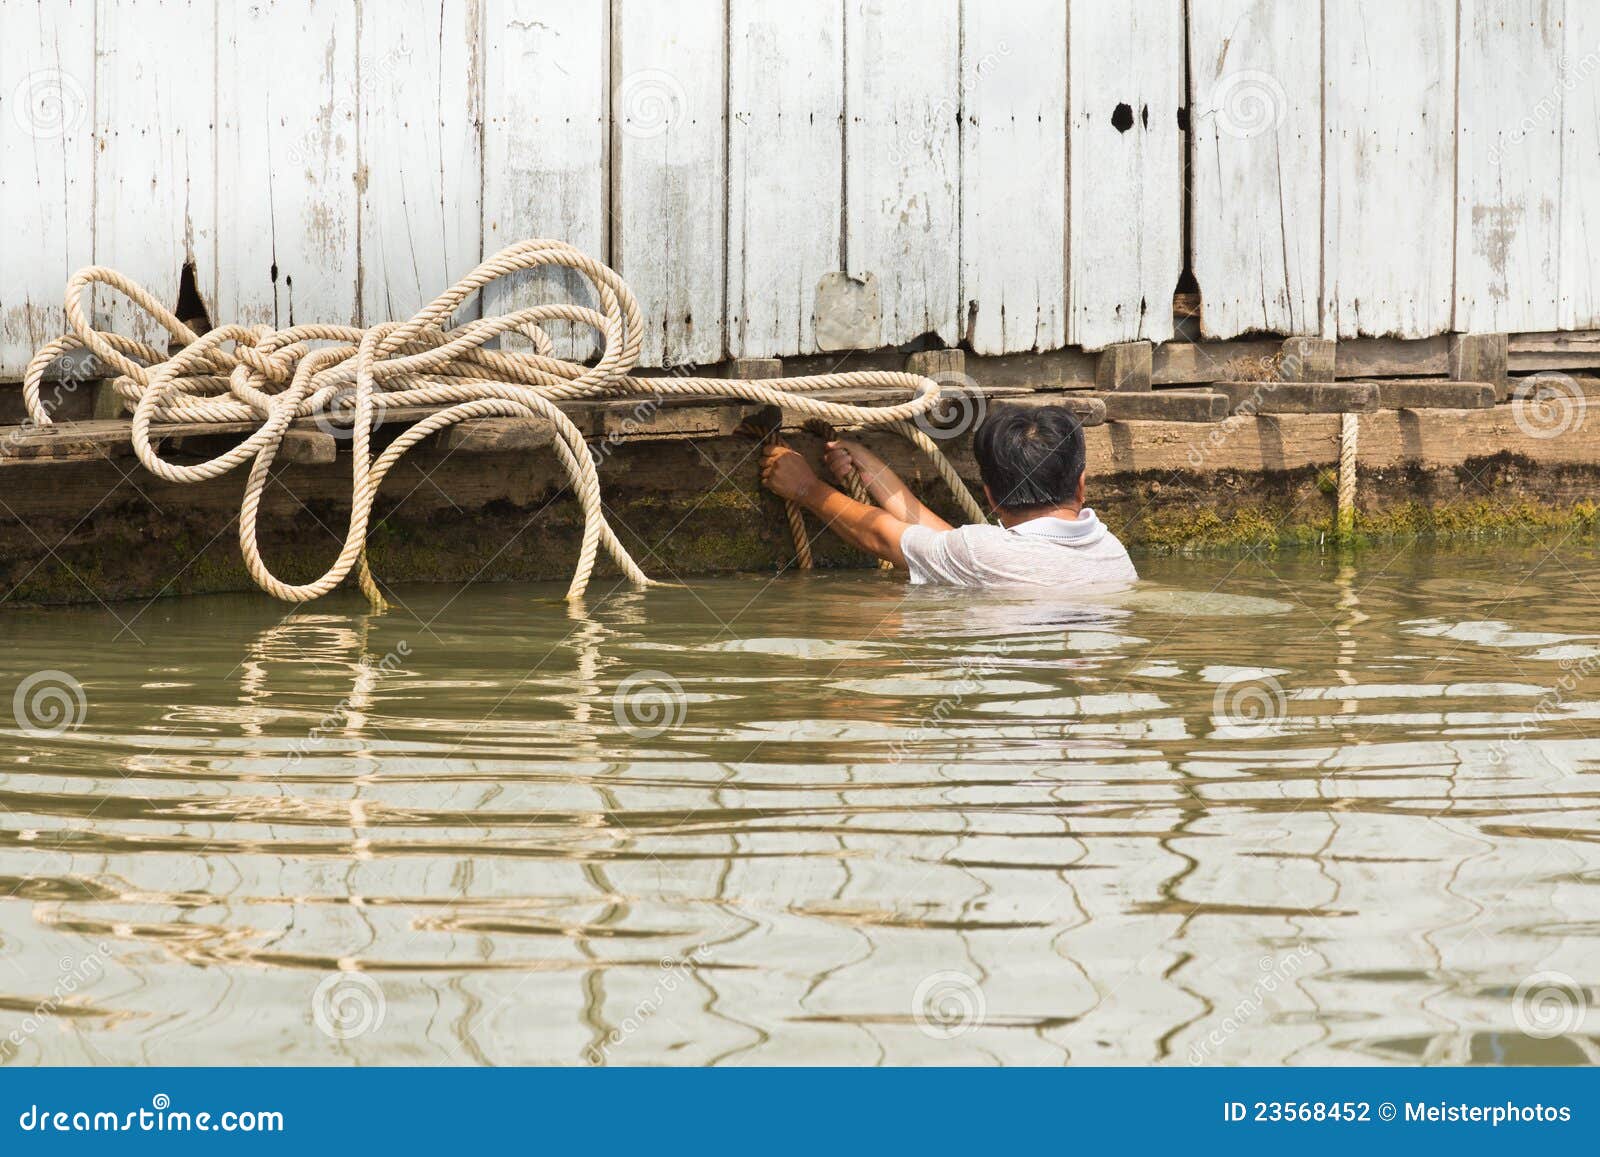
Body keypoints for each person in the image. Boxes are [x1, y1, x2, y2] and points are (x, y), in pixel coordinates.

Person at [759, 403, 1137, 588]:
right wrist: (872, 469)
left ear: (989, 495)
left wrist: (807, 488)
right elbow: (947, 548)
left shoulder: (981, 552)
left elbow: (882, 536)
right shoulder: (1114, 554)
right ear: (1081, 484)